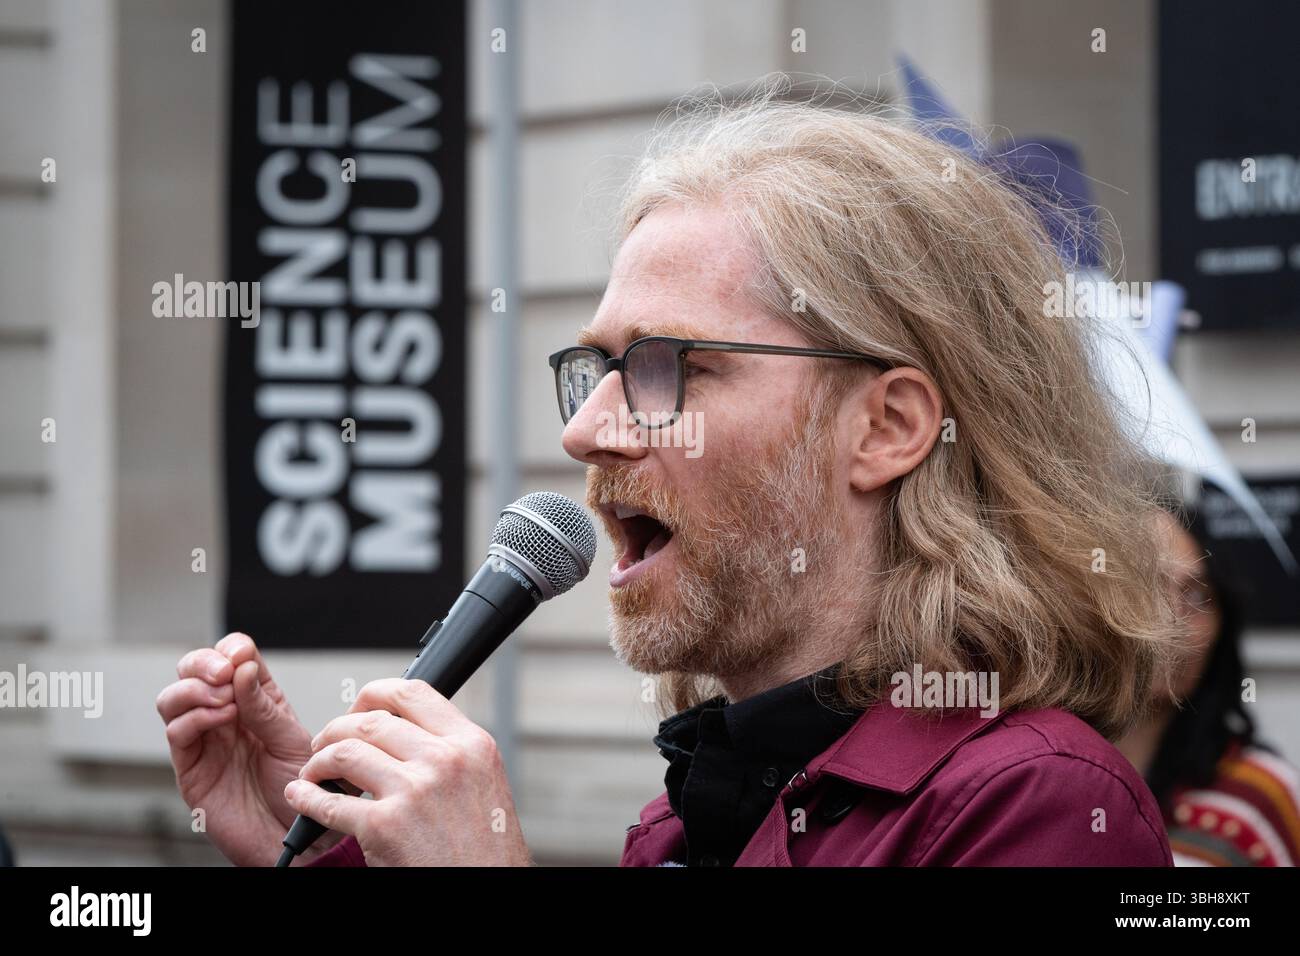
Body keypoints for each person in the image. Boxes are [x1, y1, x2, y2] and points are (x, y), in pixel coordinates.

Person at [159, 83, 1180, 866]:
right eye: (595, 369)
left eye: (663, 366)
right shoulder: (695, 809)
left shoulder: (1039, 806)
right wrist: (340, 847)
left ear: (887, 426)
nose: (585, 432)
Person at [1117, 504, 1300, 866]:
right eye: (1146, 588)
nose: (1171, 621)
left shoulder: (1259, 797)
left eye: (1195, 595)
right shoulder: (1036, 779)